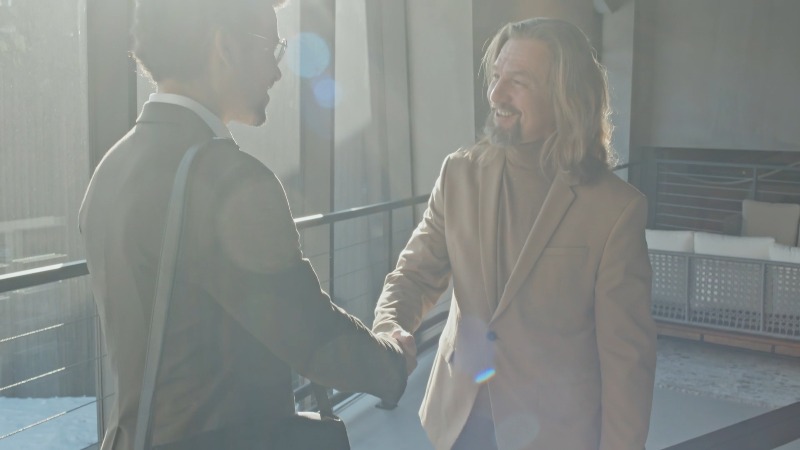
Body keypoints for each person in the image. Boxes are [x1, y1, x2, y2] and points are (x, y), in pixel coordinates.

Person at [79, 0, 413, 449]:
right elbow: (309, 334)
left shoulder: (110, 171)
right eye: (271, 49)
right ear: (225, 48)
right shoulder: (227, 178)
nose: (277, 72)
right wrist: (394, 361)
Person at [373, 17, 657, 450]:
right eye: (495, 77)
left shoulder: (616, 210)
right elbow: (414, 275)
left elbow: (626, 362)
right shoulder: (458, 174)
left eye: (518, 82)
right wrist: (389, 327)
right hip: (457, 421)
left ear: (567, 97)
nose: (495, 95)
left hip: (554, 433)